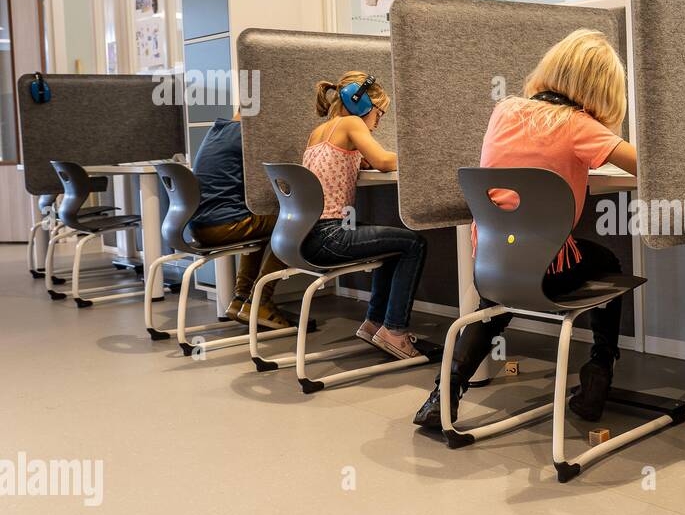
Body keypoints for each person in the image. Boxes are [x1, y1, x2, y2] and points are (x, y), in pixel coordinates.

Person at [414, 29, 637, 428]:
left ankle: (442, 394)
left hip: (491, 265)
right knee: (607, 261)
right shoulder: (579, 125)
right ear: (601, 88)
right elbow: (645, 166)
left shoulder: (505, 110)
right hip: (548, 273)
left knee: (496, 305)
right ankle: (599, 372)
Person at [301, 72, 428, 360]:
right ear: (360, 105)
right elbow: (383, 161)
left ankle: (375, 323)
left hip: (306, 235)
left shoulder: (318, 133)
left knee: (394, 244)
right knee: (414, 243)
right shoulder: (351, 122)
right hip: (330, 235)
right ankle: (395, 332)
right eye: (379, 113)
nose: (378, 121)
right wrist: (422, 156)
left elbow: (367, 159)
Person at [189, 113, 292, 329]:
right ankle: (260, 301)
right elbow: (284, 172)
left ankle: (241, 298)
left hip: (203, 226)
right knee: (296, 223)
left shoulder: (221, 130)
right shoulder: (245, 137)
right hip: (224, 226)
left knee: (263, 218)